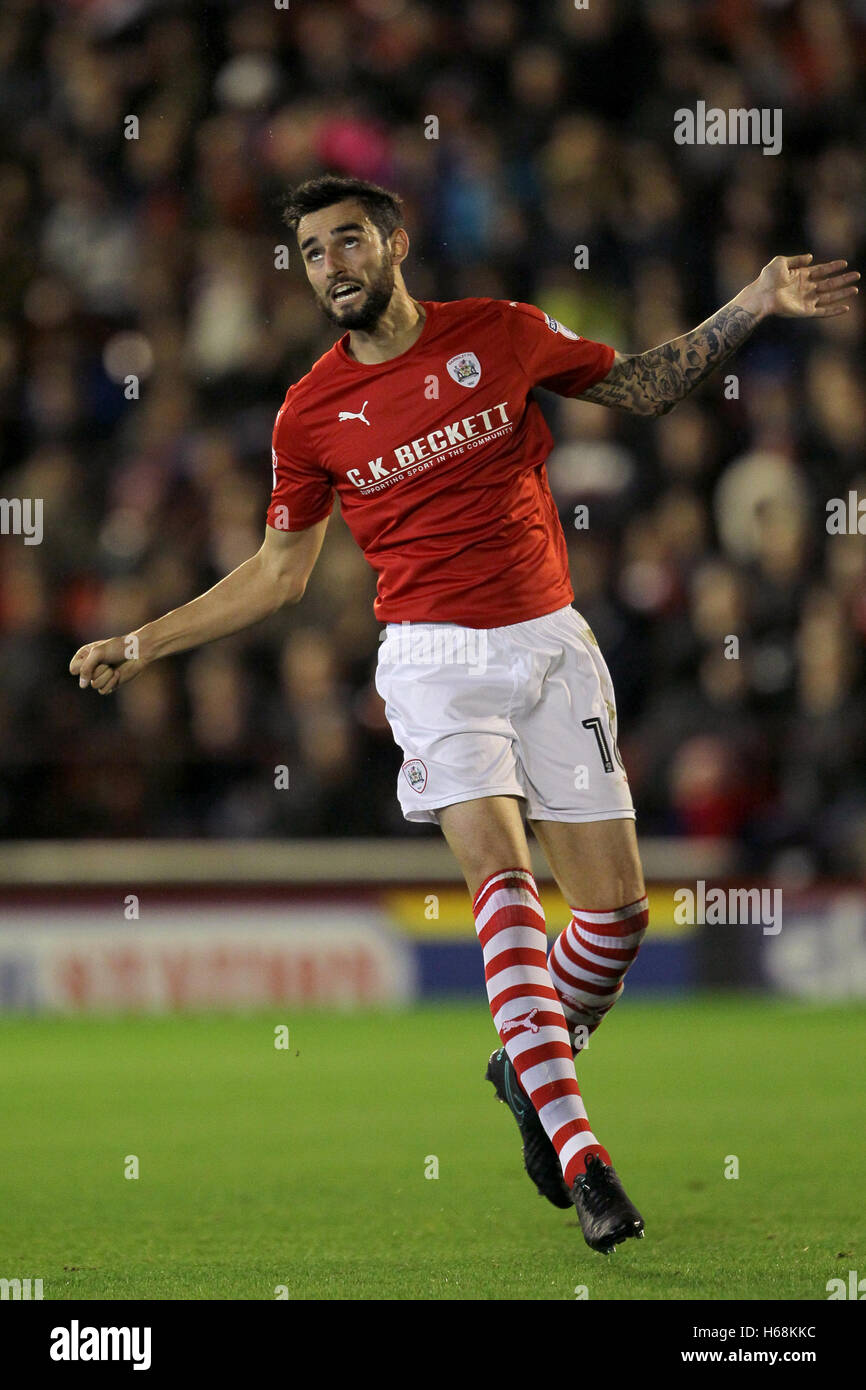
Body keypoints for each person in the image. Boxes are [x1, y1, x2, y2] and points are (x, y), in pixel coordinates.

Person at [70, 174, 858, 1256]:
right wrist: (142, 640)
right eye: (309, 252)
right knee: (502, 883)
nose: (329, 265)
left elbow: (638, 388)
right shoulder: (307, 414)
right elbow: (278, 572)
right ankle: (584, 1157)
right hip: (432, 662)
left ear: (393, 243)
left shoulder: (500, 332)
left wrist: (754, 301)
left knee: (616, 918)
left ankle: (518, 1066)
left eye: (346, 241)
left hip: (549, 642)